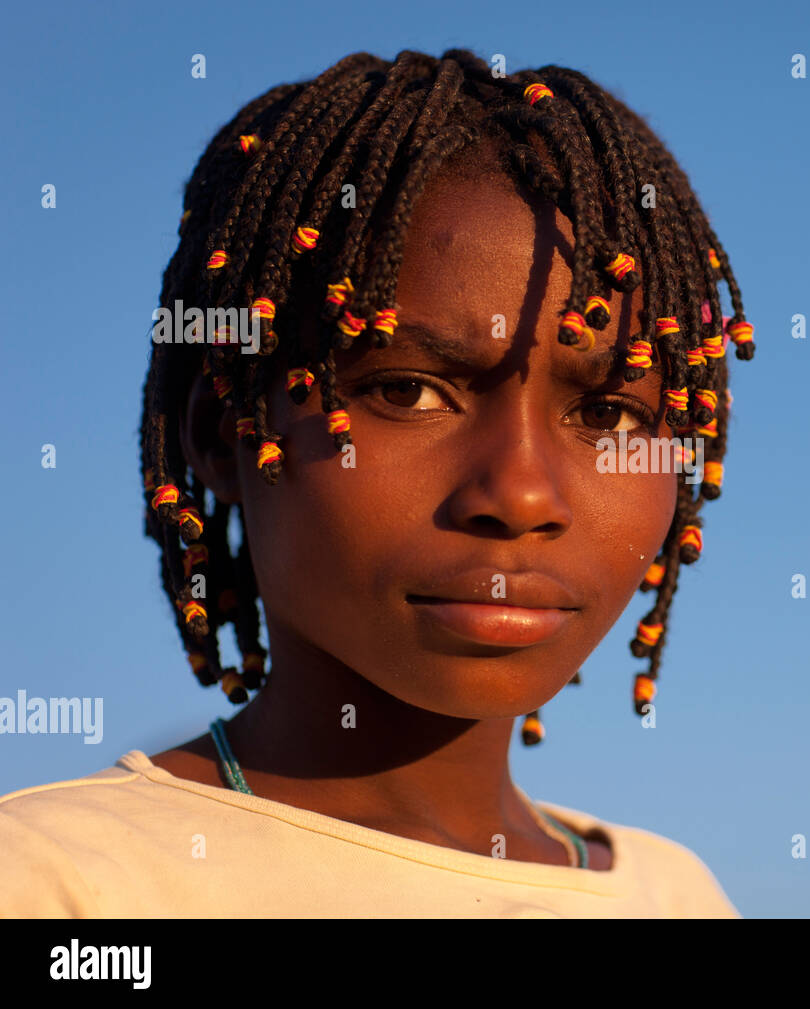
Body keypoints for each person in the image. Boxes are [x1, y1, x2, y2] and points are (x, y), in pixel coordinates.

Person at [0, 48, 755, 917]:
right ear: (223, 434)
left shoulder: (671, 895)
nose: (520, 495)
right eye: (407, 391)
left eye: (611, 415)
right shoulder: (68, 885)